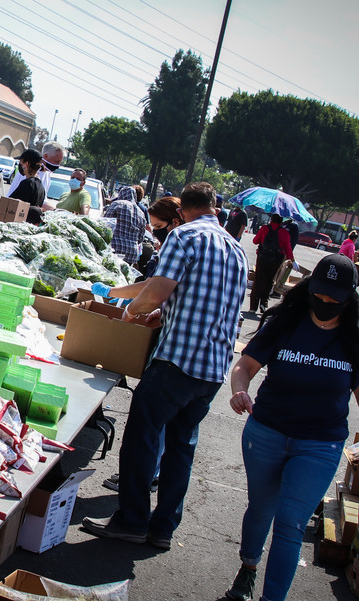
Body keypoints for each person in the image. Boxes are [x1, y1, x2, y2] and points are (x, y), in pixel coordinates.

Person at [81, 182, 247, 551]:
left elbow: (157, 289)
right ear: (214, 209)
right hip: (212, 369)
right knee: (180, 449)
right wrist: (162, 314)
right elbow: (210, 303)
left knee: (143, 438)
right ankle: (163, 529)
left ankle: (132, 521)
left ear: (184, 210)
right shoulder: (236, 249)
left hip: (177, 362)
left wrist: (132, 311)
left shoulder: (184, 236)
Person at [223, 254, 359, 601]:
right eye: (319, 295)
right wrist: (240, 390)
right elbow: (245, 365)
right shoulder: (284, 323)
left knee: (290, 525)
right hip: (266, 432)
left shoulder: (357, 341)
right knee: (260, 507)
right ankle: (248, 566)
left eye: (333, 300)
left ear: (349, 298)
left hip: (320, 444)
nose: (324, 304)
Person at [97, 195, 184, 494]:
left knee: (150, 421)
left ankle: (142, 479)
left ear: (174, 221)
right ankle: (149, 474)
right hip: (193, 354)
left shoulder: (181, 243)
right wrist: (114, 291)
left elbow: (153, 289)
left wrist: (130, 308)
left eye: (158, 227)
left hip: (174, 351)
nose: (155, 233)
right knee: (169, 428)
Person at [250, 215, 295, 314]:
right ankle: (263, 302)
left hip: (262, 258)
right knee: (269, 280)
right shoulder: (284, 233)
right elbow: (288, 248)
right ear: (281, 222)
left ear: (271, 220)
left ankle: (253, 307)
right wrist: (292, 260)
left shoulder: (264, 228)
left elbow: (255, 241)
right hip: (276, 260)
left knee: (258, 280)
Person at [105, 185, 147, 263]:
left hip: (114, 248)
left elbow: (105, 224)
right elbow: (140, 238)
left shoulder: (117, 204)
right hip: (131, 254)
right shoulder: (141, 213)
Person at [6, 148, 47, 225]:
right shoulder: (41, 186)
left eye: (21, 162)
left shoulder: (27, 184)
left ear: (26, 164)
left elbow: (10, 205)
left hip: (19, 226)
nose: (20, 165)